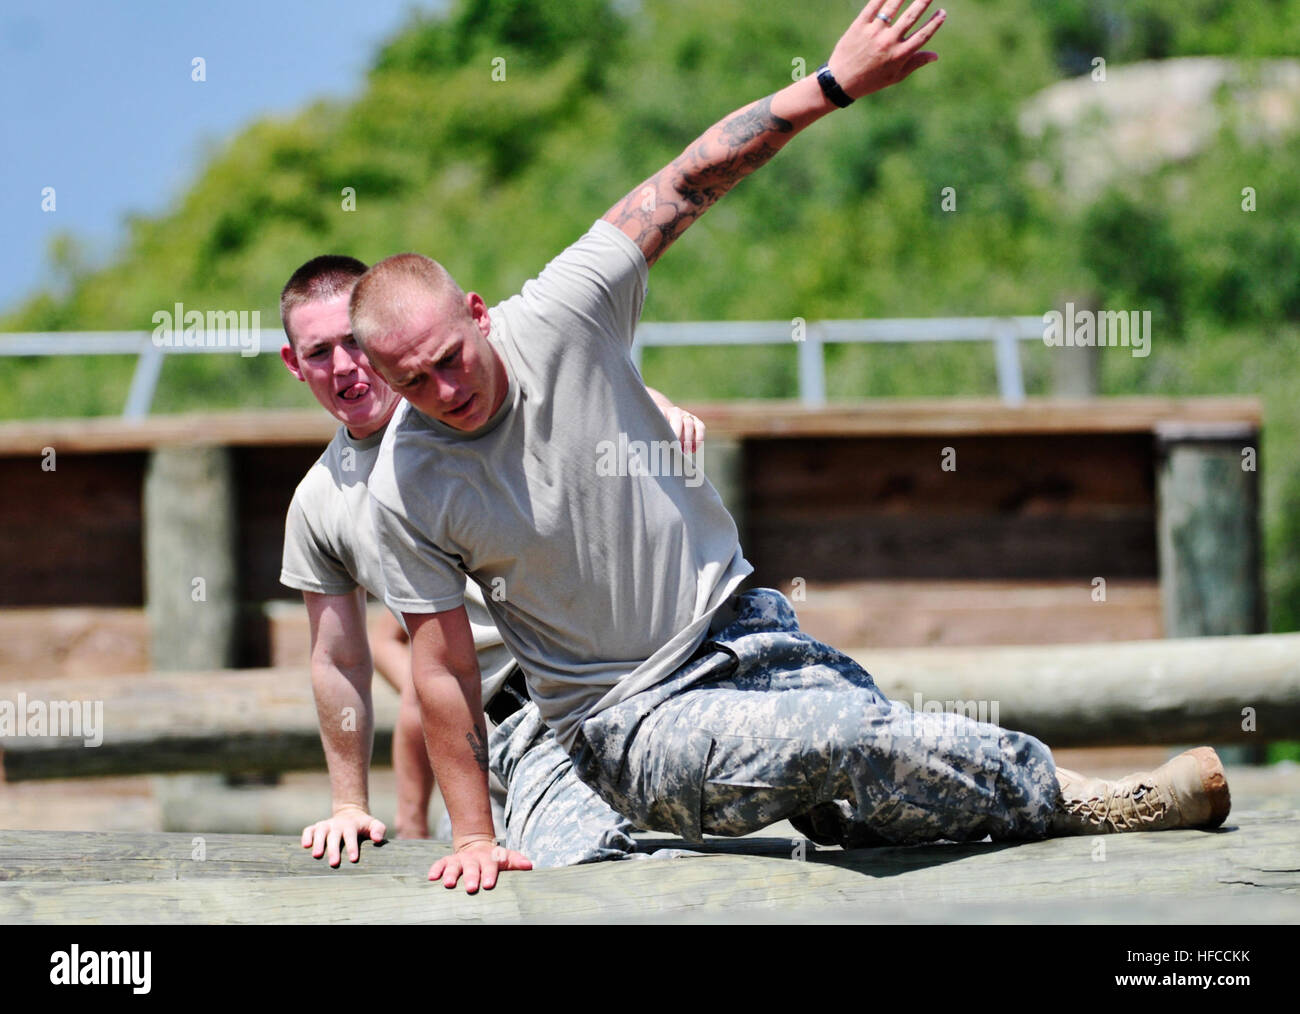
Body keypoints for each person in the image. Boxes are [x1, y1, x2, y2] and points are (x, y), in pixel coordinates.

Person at [349, 0, 1231, 891]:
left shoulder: (566, 310)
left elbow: (690, 179)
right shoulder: (411, 482)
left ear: (477, 314)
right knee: (832, 746)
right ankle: (1094, 798)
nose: (445, 392)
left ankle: (1054, 798)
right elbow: (444, 670)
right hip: (626, 722)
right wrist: (468, 835)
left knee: (886, 770)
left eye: (450, 362)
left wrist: (833, 83)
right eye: (414, 383)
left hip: (745, 636)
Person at [276, 254, 705, 878]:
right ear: (295, 364)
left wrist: (653, 409)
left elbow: (575, 377)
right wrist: (350, 804)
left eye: (354, 343)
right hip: (492, 746)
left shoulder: (467, 406)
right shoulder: (319, 502)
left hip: (611, 685)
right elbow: (339, 660)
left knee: (665, 871)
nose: (344, 367)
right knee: (504, 891)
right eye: (319, 352)